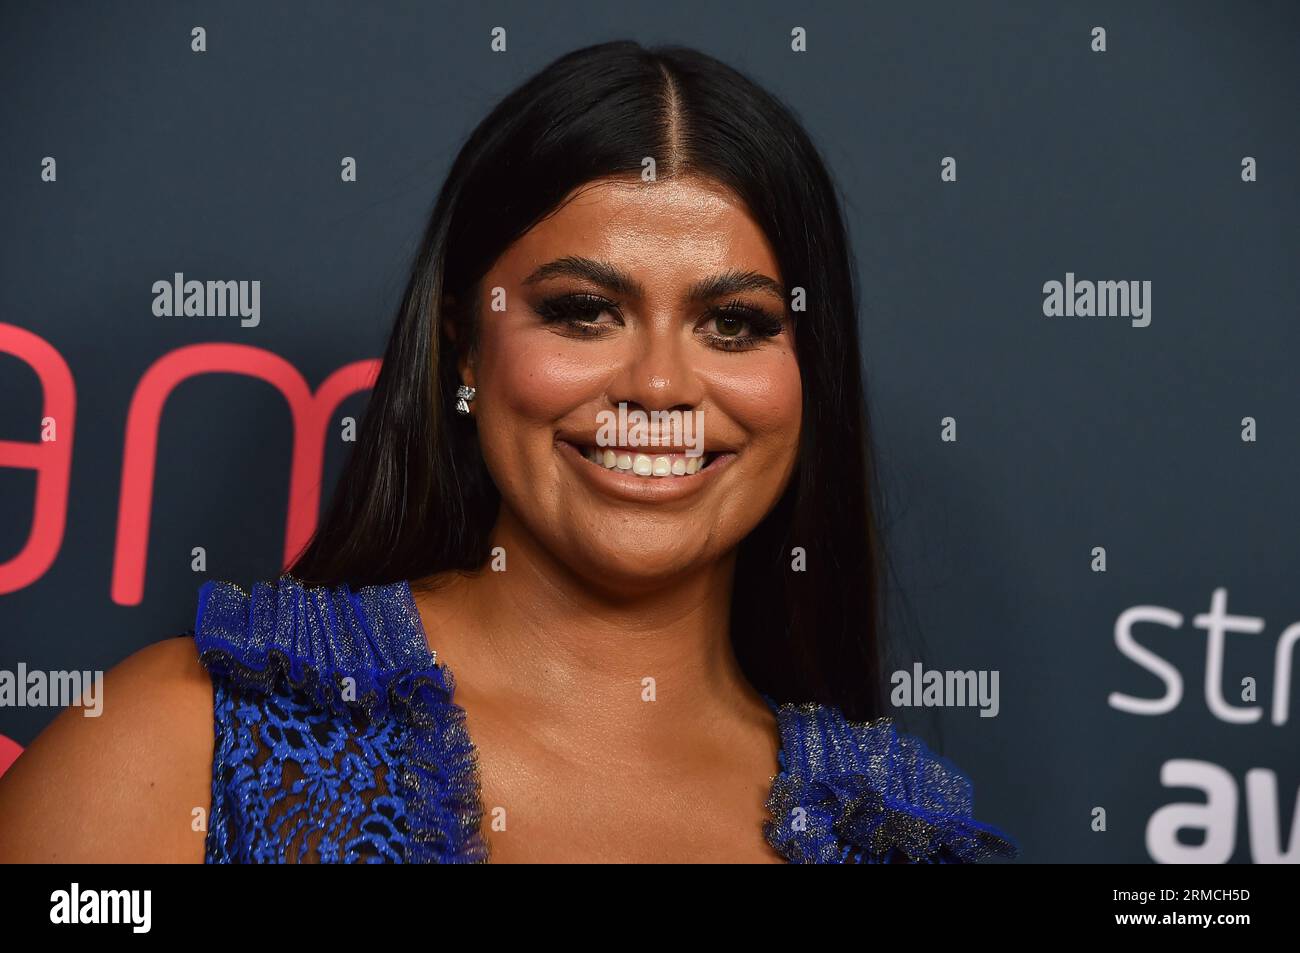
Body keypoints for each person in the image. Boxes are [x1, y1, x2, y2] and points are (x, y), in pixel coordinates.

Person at [0, 40, 1017, 863]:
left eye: (735, 324)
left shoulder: (904, 840)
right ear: (465, 348)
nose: (658, 385)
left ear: (809, 374)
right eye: (583, 311)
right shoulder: (186, 741)